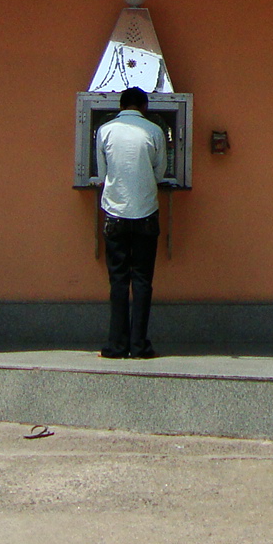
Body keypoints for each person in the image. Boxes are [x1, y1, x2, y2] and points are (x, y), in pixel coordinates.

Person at [95, 87, 168, 359]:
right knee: (142, 281)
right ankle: (139, 346)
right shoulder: (154, 131)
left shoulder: (105, 130)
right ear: (144, 106)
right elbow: (159, 172)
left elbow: (102, 174)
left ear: (121, 105)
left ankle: (116, 345)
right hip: (146, 212)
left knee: (117, 281)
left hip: (114, 213)